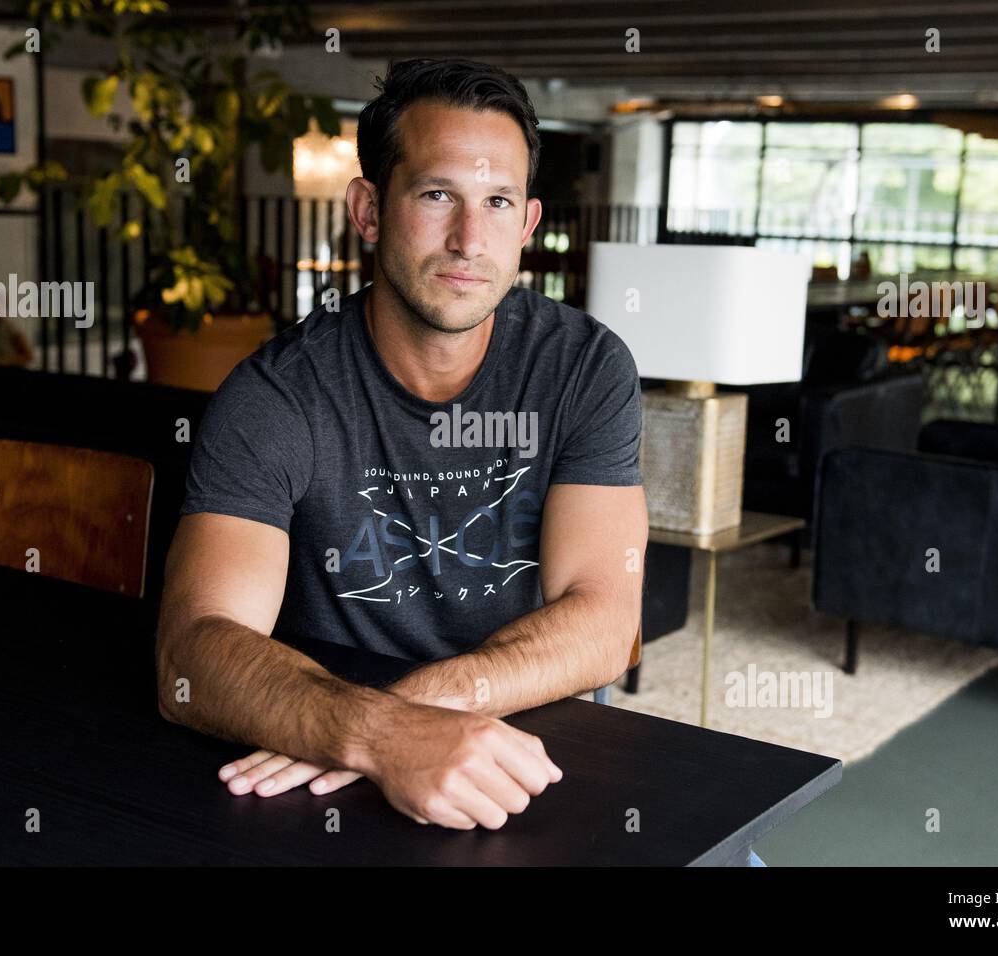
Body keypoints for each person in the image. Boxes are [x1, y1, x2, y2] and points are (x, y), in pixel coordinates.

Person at [156, 57, 648, 832]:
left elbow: (606, 622)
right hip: (328, 773)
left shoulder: (584, 367)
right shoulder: (278, 393)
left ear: (527, 224)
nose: (468, 239)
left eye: (497, 202)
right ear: (369, 208)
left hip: (524, 745)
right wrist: (375, 736)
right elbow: (192, 650)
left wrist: (397, 718)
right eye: (436, 195)